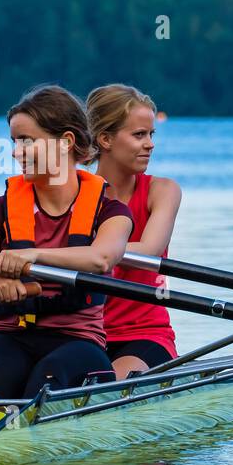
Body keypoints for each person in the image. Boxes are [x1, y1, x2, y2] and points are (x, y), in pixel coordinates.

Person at [0, 84, 133, 399]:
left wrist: (32, 256)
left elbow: (101, 258)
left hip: (78, 341)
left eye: (27, 141)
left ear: (65, 142)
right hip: (7, 334)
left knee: (48, 380)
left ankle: (23, 421)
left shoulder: (110, 211)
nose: (15, 151)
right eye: (14, 141)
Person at [87, 84, 182, 379]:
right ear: (105, 139)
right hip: (83, 333)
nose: (150, 144)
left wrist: (85, 255)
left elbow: (150, 250)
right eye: (139, 135)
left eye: (151, 134)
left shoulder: (162, 191)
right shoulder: (74, 196)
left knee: (102, 389)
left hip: (145, 335)